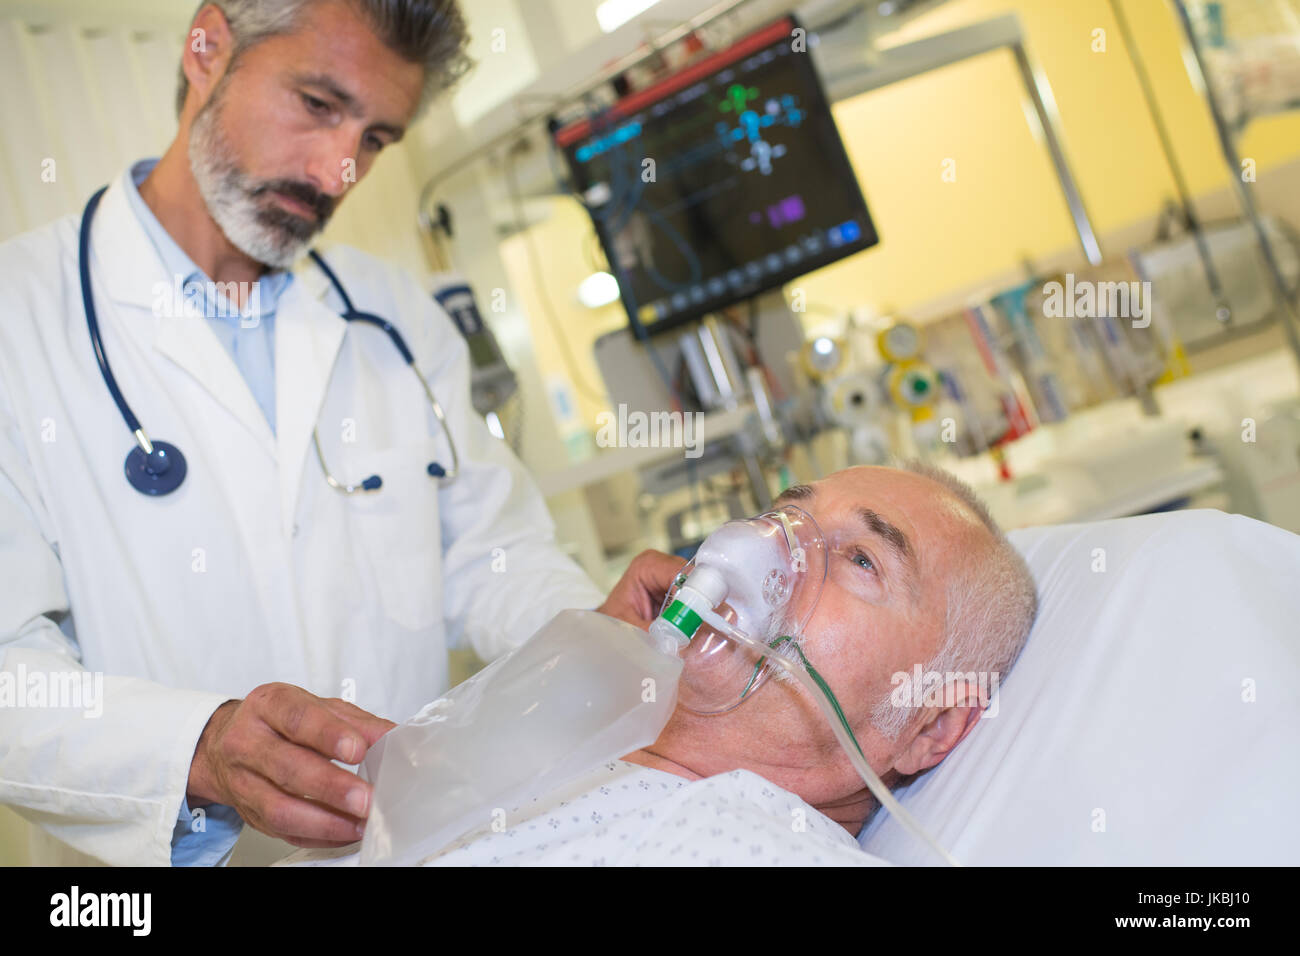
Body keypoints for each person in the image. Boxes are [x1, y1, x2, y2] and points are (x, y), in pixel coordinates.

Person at [0, 0, 680, 866]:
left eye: (377, 139)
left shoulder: (396, 319)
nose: (337, 170)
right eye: (318, 104)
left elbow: (491, 555)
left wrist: (595, 634)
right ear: (207, 49)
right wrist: (197, 748)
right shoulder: (19, 317)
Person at [285, 462, 1040, 866]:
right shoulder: (553, 742)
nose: (763, 549)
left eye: (861, 560)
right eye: (786, 513)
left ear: (929, 725)